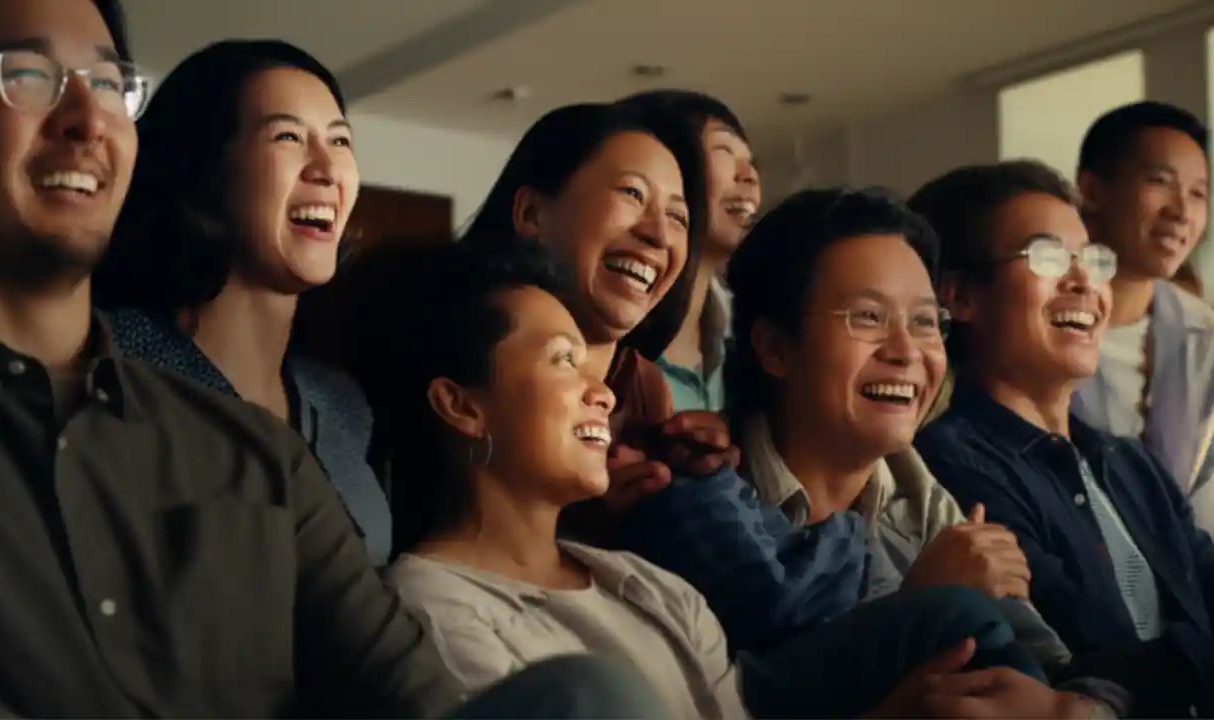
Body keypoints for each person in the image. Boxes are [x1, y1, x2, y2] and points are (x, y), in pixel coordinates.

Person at [0, 0, 670, 715]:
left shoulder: (299, 424)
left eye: (106, 83)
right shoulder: (150, 362)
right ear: (207, 170)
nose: (85, 117)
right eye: (27, 74)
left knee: (588, 693)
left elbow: (400, 675)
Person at [344, 235, 1085, 719]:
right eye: (562, 361)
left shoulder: (641, 581)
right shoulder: (430, 607)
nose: (601, 390)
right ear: (460, 405)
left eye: (593, 363)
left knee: (953, 622)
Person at [721, 187, 1126, 713]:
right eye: (867, 317)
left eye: (925, 322)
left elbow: (1062, 672)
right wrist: (920, 605)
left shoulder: (924, 499)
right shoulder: (710, 502)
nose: (907, 351)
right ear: (775, 346)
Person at [912, 160, 1214, 715]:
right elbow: (1085, 663)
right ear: (961, 296)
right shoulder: (953, 465)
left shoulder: (1129, 463)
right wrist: (1208, 664)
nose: (1085, 282)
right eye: (1047, 257)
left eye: (1093, 259)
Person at [92, 39, 391, 565]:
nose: (325, 167)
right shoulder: (111, 362)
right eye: (288, 136)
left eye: (340, 142)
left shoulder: (341, 404)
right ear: (207, 170)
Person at [461, 102, 737, 520]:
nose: (659, 234)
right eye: (632, 193)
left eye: (678, 217)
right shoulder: (453, 352)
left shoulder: (644, 387)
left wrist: (694, 486)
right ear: (532, 213)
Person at [1072, 102, 1214, 554]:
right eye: (1160, 182)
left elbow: (1211, 523)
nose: (1181, 211)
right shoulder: (1031, 320)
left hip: (1187, 600)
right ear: (1091, 190)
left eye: (1198, 194)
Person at [617, 90, 760, 412]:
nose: (750, 177)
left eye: (751, 163)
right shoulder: (607, 339)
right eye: (724, 150)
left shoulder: (744, 342)